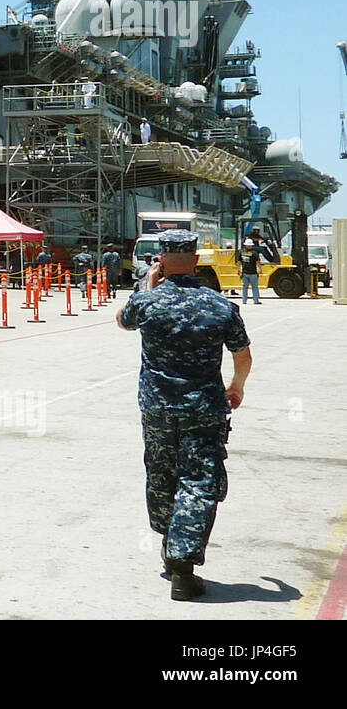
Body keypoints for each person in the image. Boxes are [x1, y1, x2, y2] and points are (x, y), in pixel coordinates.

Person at [117, 229, 252, 601]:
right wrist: (236, 386)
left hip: (157, 408)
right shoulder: (219, 305)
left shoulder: (147, 302)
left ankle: (168, 540)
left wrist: (147, 284)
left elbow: (122, 320)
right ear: (195, 260)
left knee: (161, 474)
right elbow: (243, 355)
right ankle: (182, 565)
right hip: (203, 408)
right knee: (198, 481)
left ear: (160, 260)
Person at [238, 227, 278, 304]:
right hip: (252, 272)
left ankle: (244, 300)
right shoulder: (252, 236)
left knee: (245, 287)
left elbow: (239, 262)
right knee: (263, 249)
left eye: (258, 230)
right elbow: (257, 262)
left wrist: (264, 239)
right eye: (256, 230)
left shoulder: (243, 252)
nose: (257, 231)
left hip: (246, 272)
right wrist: (260, 270)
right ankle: (272, 260)